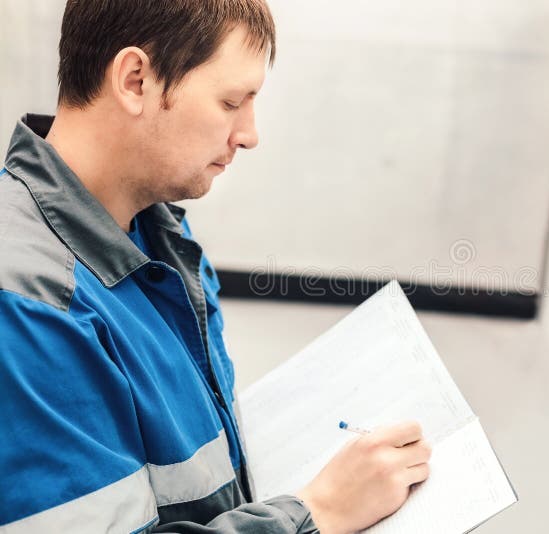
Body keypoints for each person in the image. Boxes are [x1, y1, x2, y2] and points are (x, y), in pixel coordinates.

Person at [0, 1, 432, 533]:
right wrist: (318, 513)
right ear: (135, 80)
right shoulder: (28, 302)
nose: (249, 134)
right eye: (232, 101)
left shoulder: (160, 240)